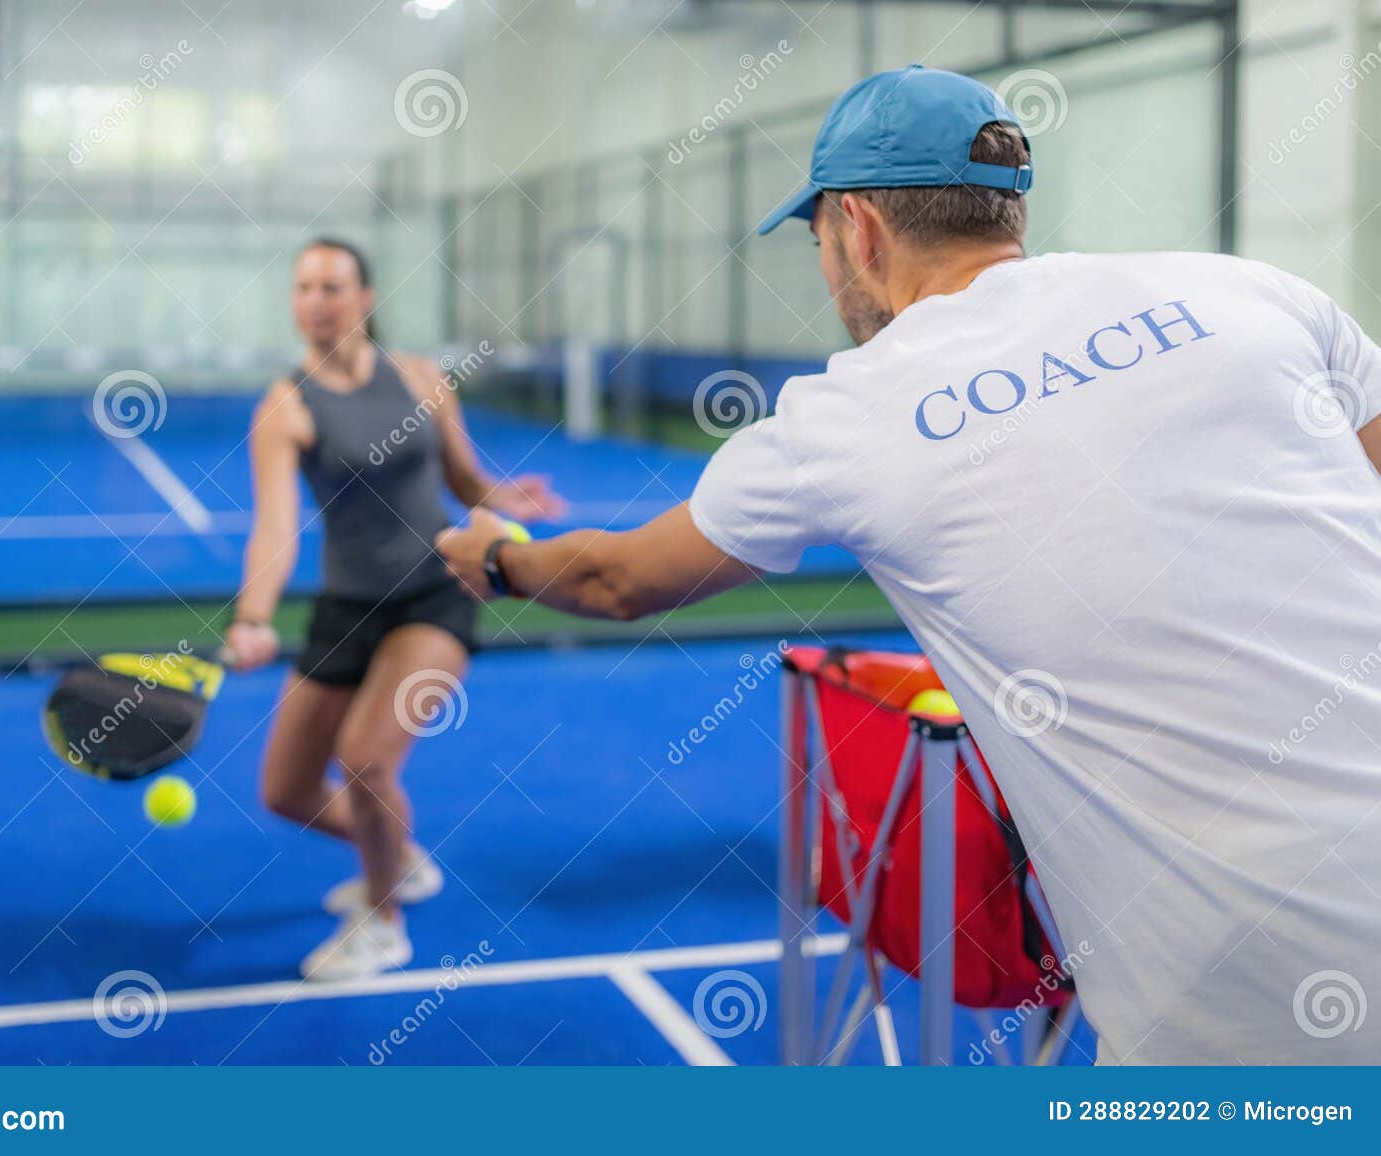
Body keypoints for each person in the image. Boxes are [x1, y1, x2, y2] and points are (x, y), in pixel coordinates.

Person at [436, 66, 1381, 1063]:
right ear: (1006, 205)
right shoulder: (1245, 289)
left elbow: (613, 581)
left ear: (857, 227)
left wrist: (497, 557)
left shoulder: (840, 417)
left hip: (1251, 1014)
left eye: (816, 243)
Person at [228, 238, 564, 981]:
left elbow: (463, 477)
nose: (317, 301)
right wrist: (253, 616)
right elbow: (276, 529)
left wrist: (504, 499)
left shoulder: (420, 378)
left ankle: (383, 923)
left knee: (367, 760)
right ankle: (395, 853)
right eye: (305, 287)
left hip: (436, 591)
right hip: (347, 605)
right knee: (286, 791)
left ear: (365, 298)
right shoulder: (284, 406)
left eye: (333, 287)